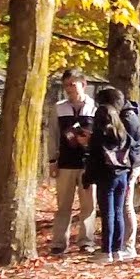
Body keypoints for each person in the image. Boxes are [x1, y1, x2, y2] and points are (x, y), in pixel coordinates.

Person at [84, 87, 135, 264]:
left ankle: (107, 251)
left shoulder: (100, 134)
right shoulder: (122, 132)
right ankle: (118, 249)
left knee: (108, 213)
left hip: (106, 175)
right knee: (119, 212)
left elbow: (94, 156)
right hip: (122, 174)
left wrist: (88, 177)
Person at [49, 68, 97, 255]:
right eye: (66, 85)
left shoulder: (95, 108)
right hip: (65, 163)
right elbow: (53, 135)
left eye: (73, 84)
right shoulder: (59, 108)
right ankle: (59, 243)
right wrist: (52, 160)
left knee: (88, 205)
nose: (69, 89)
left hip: (87, 163)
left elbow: (102, 135)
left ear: (83, 84)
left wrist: (90, 140)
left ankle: (86, 241)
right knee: (63, 205)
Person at [121, 97, 140, 260]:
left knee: (126, 204)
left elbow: (127, 144)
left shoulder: (127, 118)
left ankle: (129, 246)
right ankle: (122, 243)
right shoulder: (127, 115)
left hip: (130, 164)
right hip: (130, 163)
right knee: (124, 204)